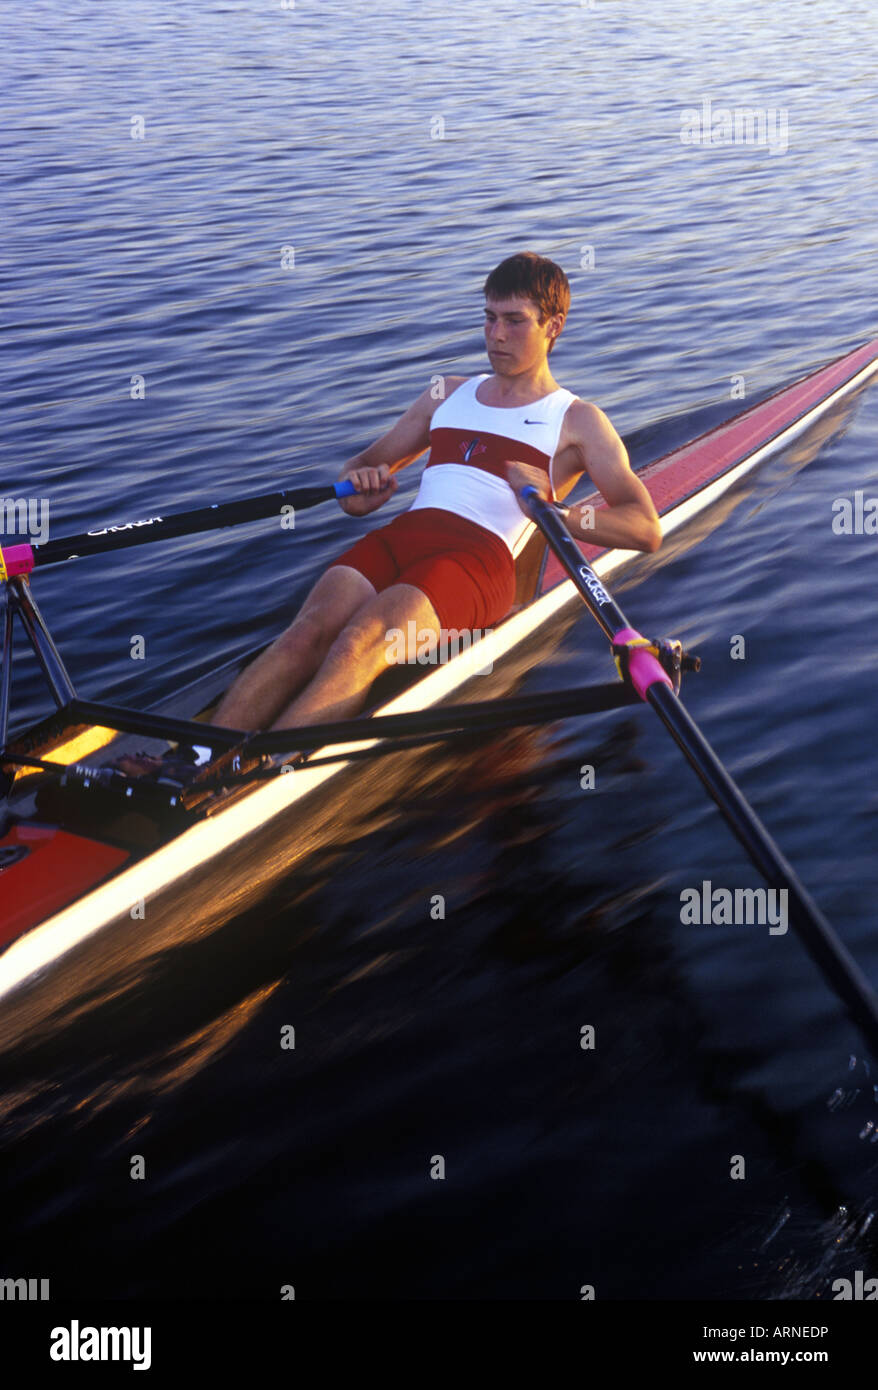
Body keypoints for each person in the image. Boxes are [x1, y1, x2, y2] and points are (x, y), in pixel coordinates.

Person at [214, 251, 661, 732]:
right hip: (404, 535)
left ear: (554, 326)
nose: (496, 334)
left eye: (515, 321)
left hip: (475, 560)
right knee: (305, 635)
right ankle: (197, 760)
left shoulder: (577, 421)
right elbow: (364, 467)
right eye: (489, 318)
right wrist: (358, 490)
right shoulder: (446, 392)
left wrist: (558, 513)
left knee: (359, 641)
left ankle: (249, 778)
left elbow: (644, 527)